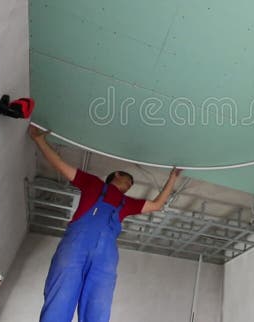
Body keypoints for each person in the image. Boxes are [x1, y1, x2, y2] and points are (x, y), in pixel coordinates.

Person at [29, 125, 182, 322]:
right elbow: (60, 165)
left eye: (131, 184)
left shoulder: (127, 203)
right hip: (76, 246)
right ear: (116, 174)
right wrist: (40, 140)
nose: (130, 184)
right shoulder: (92, 183)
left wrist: (172, 178)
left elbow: (157, 205)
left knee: (99, 304)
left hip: (106, 255)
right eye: (128, 179)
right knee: (61, 296)